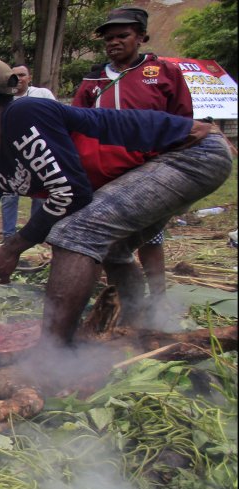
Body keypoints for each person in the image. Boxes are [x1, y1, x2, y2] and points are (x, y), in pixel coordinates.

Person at [0, 57, 231, 348]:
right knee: (111, 247)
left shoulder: (24, 114)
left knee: (74, 232)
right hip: (162, 164)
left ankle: (52, 355)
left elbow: (71, 193)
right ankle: (131, 328)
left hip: (190, 152)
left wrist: (12, 248)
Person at [72, 6, 192, 312]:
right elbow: (76, 123)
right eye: (108, 38)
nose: (114, 42)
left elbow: (182, 118)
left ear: (141, 37)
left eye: (122, 35)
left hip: (148, 168)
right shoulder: (93, 80)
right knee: (105, 237)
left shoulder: (164, 73)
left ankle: (159, 298)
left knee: (151, 235)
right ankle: (117, 298)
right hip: (104, 171)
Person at [0, 64, 56, 241]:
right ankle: (8, 234)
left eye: (22, 75)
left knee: (40, 196)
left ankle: (36, 235)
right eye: (14, 76)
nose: (19, 79)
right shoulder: (3, 99)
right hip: (12, 154)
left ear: (29, 77)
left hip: (39, 151)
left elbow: (55, 115)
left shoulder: (42, 94)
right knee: (9, 195)